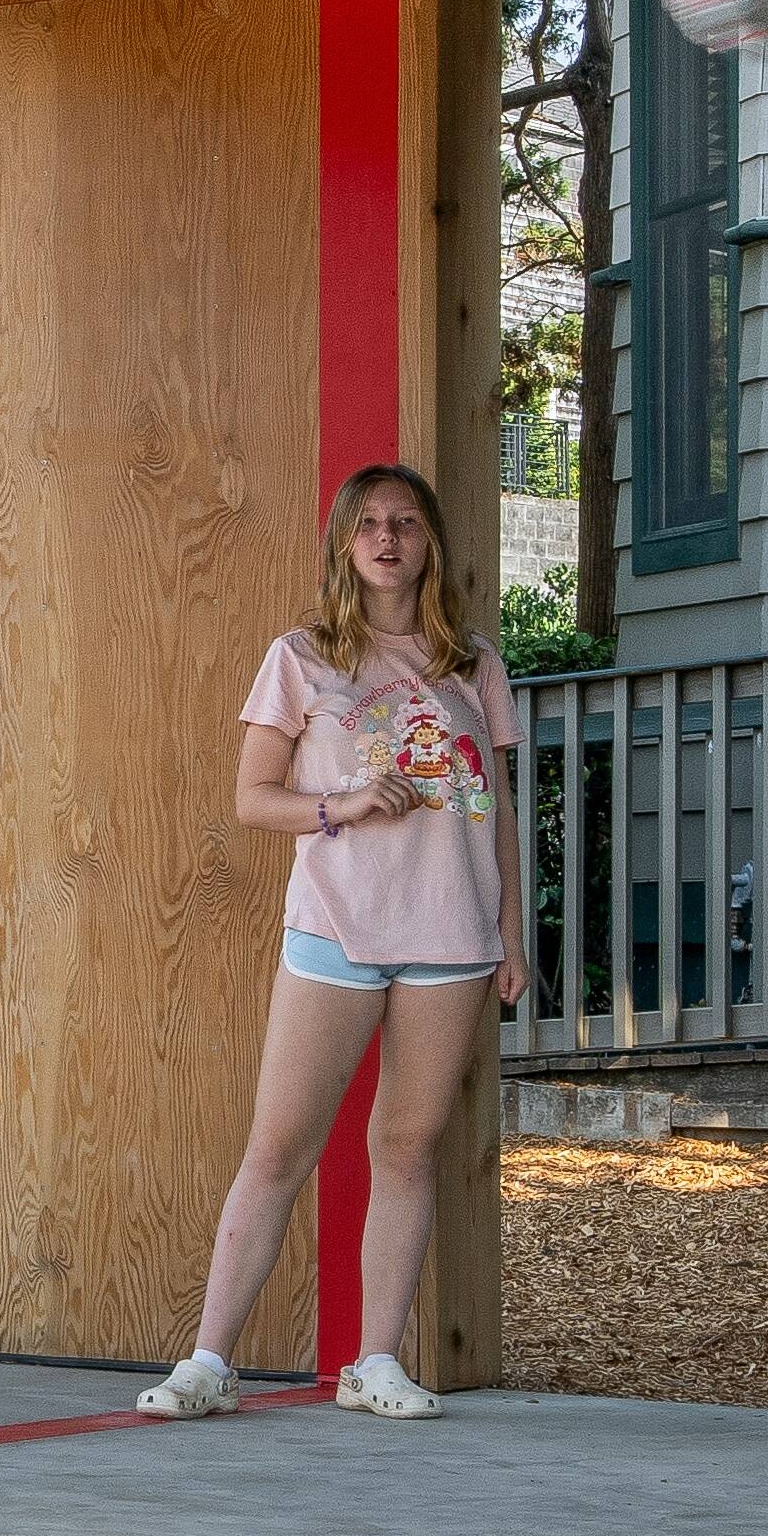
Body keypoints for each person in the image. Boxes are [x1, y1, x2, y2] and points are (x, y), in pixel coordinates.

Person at [136, 457, 521, 1418]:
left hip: (451, 938)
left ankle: (374, 1362)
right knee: (279, 1146)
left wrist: (512, 932)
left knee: (408, 1145)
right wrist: (342, 803)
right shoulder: (301, 657)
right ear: (344, 545)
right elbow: (251, 799)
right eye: (368, 524)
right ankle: (208, 1362)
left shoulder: (470, 659)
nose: (388, 539)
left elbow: (498, 807)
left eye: (406, 523)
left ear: (430, 542)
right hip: (336, 933)